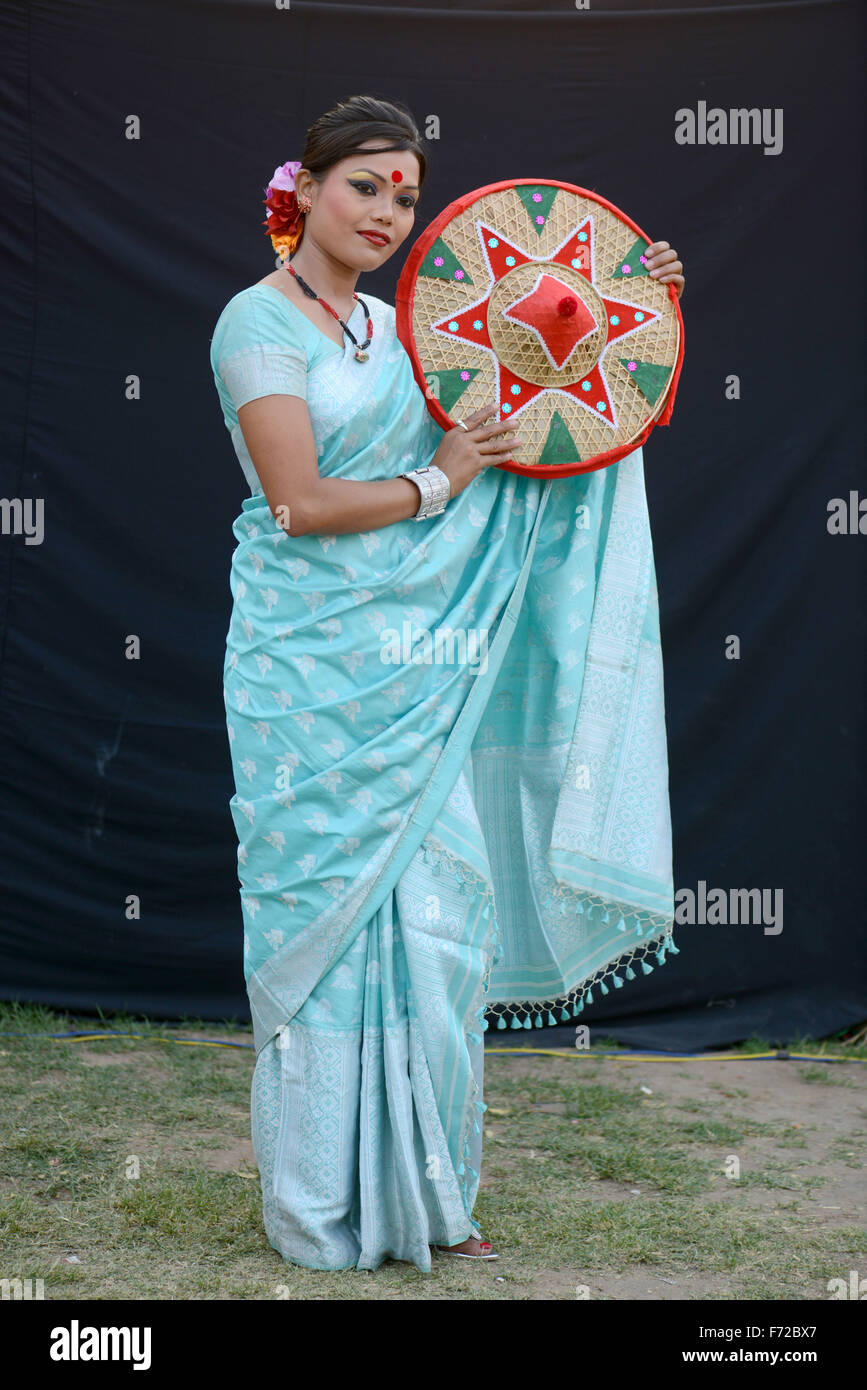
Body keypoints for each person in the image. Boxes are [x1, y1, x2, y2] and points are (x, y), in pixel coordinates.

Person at [209, 93, 685, 1273]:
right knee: (323, 925)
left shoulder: (406, 330)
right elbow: (301, 505)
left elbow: (544, 406)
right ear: (305, 188)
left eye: (407, 195)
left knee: (441, 923)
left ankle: (434, 1197)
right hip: (312, 675)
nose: (387, 211)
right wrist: (438, 482)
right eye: (365, 184)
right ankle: (325, 1204)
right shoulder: (255, 325)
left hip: (424, 673)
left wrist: (635, 301)